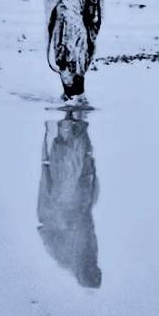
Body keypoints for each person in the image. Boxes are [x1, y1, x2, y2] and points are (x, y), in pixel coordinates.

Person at [37, 110, 101, 288]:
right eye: (95, 268)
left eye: (93, 269)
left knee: (71, 141)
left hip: (70, 193)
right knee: (72, 141)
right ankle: (71, 104)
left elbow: (45, 225)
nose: (93, 264)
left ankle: (70, 105)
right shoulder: (76, 255)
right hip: (72, 193)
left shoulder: (64, 255)